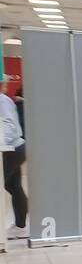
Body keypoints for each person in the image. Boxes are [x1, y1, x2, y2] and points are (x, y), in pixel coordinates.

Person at [1, 90, 27, 239]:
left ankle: (20, 226)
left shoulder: (2, 100)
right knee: (13, 186)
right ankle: (21, 227)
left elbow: (9, 126)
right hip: (14, 149)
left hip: (13, 149)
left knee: (11, 186)